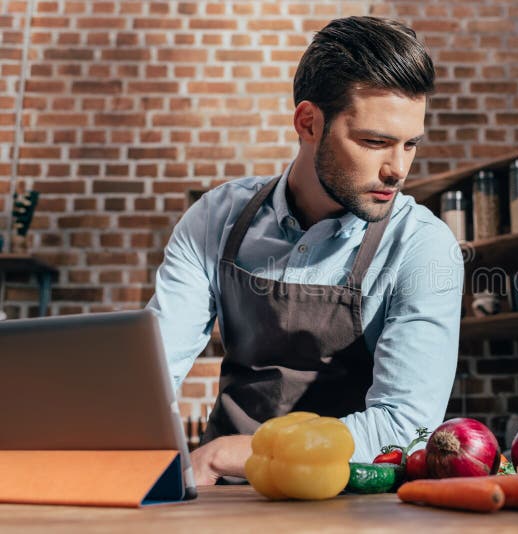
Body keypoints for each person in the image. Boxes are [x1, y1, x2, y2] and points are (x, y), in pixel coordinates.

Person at [146, 16, 464, 485]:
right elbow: (154, 375)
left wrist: (227, 454)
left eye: (410, 144)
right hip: (225, 499)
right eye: (375, 142)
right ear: (309, 122)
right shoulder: (216, 220)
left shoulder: (423, 246)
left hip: (356, 502)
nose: (398, 169)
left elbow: (406, 428)